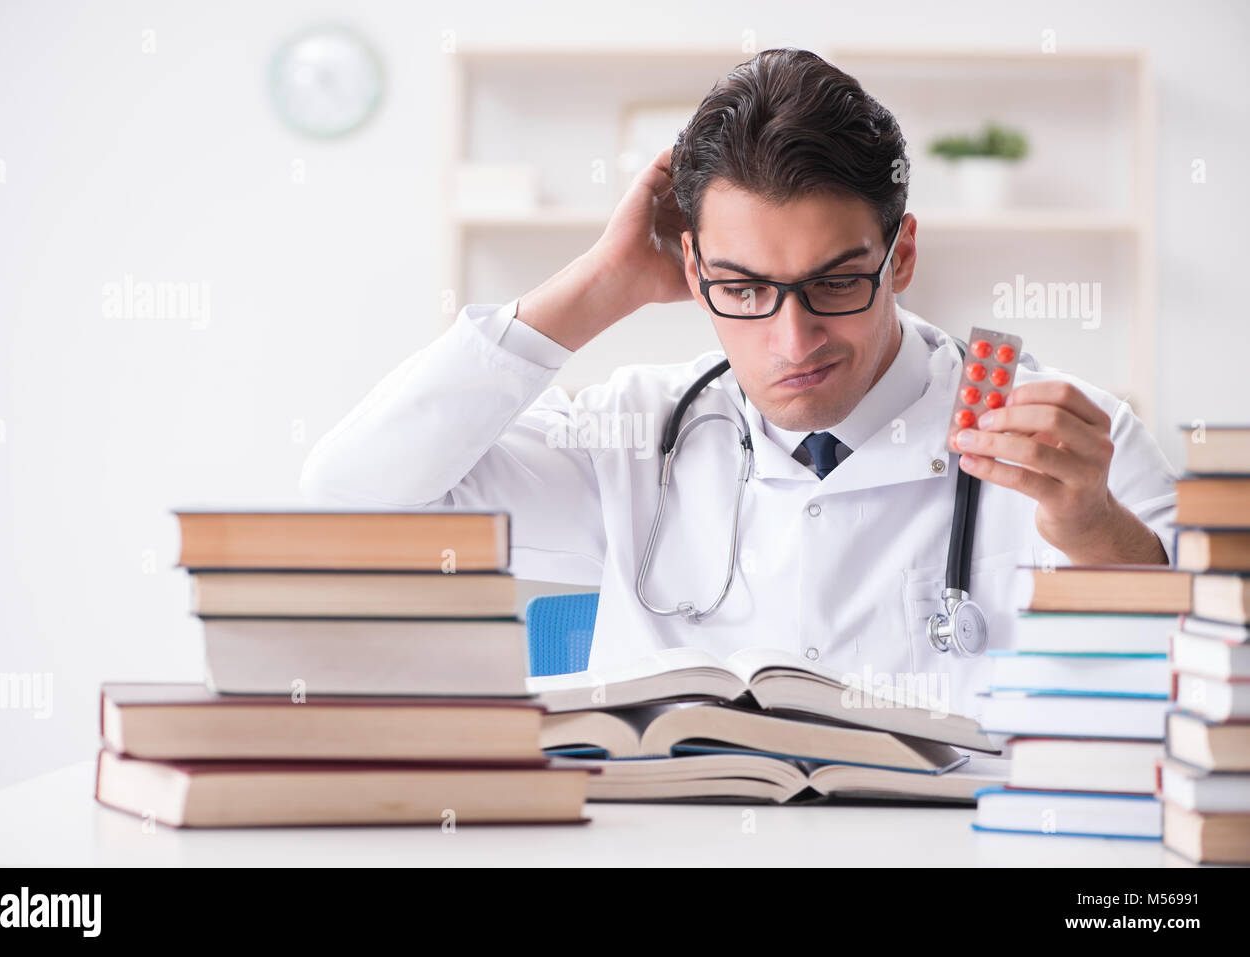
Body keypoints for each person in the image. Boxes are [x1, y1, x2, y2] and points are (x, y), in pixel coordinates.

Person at [299, 47, 1176, 718]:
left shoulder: (1061, 441)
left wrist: (1096, 530)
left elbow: (1197, 682)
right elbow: (353, 500)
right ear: (692, 270)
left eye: (835, 282)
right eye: (744, 288)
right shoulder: (638, 432)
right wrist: (594, 290)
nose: (792, 339)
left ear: (900, 254)